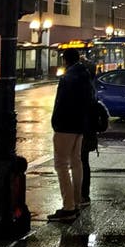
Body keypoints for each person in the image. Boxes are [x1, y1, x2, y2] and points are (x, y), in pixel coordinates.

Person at [48, 47, 94, 223]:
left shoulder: (68, 78)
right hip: (80, 126)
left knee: (61, 164)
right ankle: (78, 200)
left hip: (65, 126)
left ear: (65, 60)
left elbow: (61, 104)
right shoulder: (85, 75)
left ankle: (68, 207)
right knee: (76, 162)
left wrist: (56, 123)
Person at [80, 61, 98, 207]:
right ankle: (83, 194)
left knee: (80, 162)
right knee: (83, 162)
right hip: (88, 130)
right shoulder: (92, 86)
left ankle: (82, 194)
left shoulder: (84, 87)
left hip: (82, 131)